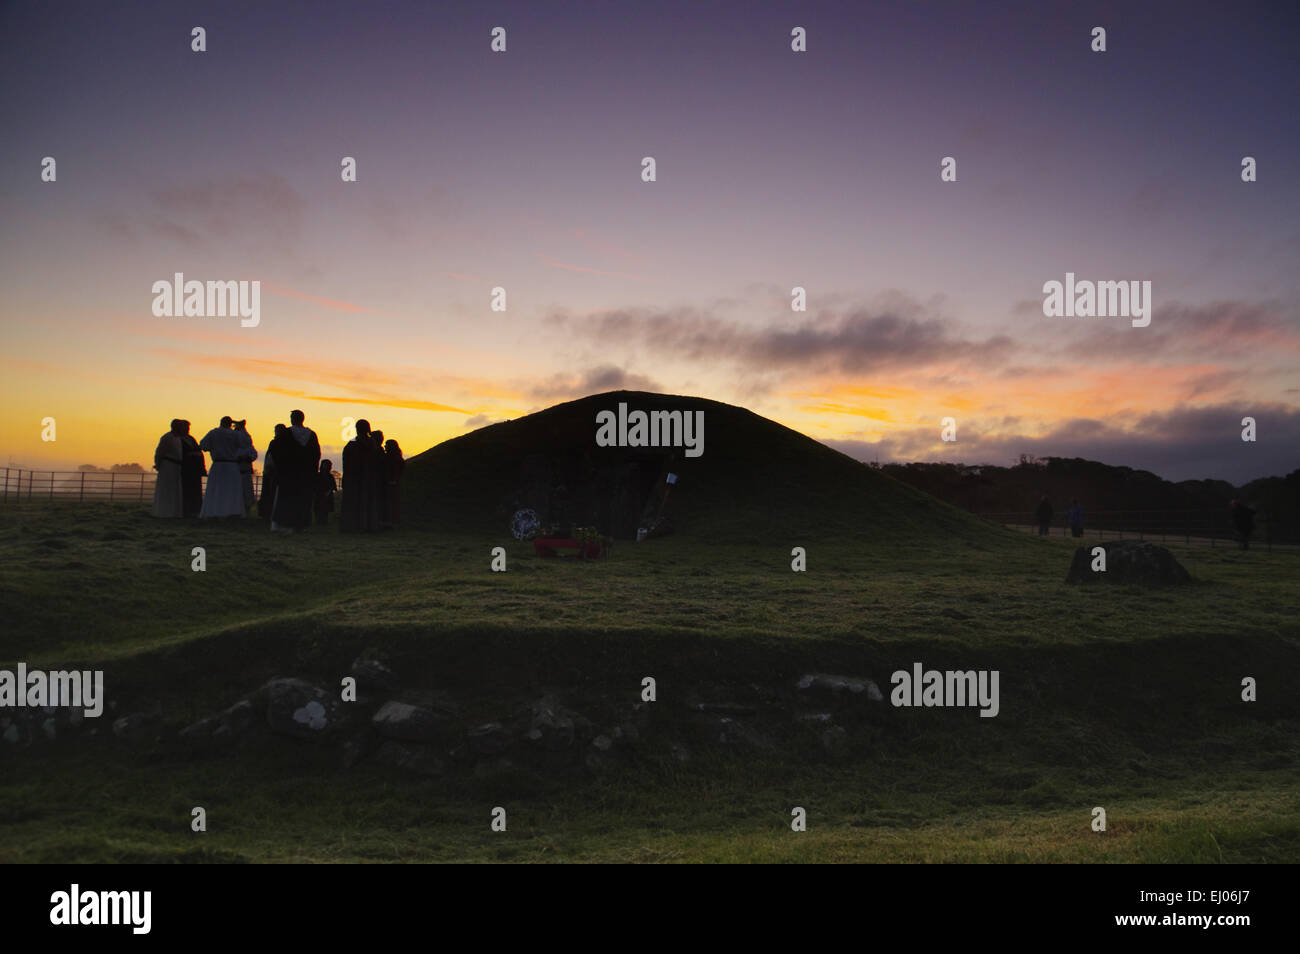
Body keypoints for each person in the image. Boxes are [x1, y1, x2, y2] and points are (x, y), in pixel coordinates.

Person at [198, 416, 246, 517]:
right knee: (231, 490)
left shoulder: (213, 433)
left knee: (216, 489)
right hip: (232, 465)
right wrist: (241, 429)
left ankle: (214, 511)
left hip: (218, 465)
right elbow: (245, 444)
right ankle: (232, 511)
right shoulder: (235, 434)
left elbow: (203, 445)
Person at [269, 424, 313, 532]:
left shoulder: (286, 433)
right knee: (300, 500)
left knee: (285, 499)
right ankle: (300, 524)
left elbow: (276, 450)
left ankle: (283, 524)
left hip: (287, 473)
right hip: (302, 473)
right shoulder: (311, 435)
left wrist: (279, 467)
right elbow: (314, 454)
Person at [341, 419, 383, 532]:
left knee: (355, 502)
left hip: (355, 478)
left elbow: (347, 462)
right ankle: (369, 525)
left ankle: (355, 526)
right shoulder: (374, 445)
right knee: (368, 503)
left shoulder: (352, 444)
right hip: (370, 478)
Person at [150, 420, 185, 518]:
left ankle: (173, 512)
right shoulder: (167, 438)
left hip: (176, 466)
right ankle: (164, 512)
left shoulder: (177, 438)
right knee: (166, 489)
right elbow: (160, 452)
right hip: (168, 466)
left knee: (173, 490)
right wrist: (158, 464)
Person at [258, 424, 288, 520]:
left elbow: (270, 457)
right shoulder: (285, 443)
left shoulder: (275, 443)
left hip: (274, 472)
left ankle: (268, 514)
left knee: (270, 493)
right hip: (277, 472)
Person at [179, 420, 206, 517]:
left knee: (195, 490)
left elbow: (199, 451)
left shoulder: (191, 439)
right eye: (185, 427)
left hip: (195, 469)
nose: (187, 429)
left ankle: (195, 510)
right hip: (186, 468)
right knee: (186, 490)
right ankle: (186, 510)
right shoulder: (178, 439)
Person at [233, 419, 258, 513]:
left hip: (245, 470)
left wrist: (247, 458)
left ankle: (246, 510)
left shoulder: (248, 446)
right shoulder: (232, 445)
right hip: (235, 471)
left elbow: (254, 454)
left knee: (246, 492)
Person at [383, 439, 404, 527]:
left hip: (391, 483)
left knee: (390, 503)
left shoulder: (391, 457)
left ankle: (391, 521)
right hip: (394, 483)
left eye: (386, 445)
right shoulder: (397, 457)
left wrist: (392, 480)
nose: (385, 446)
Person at [315, 460, 337, 526]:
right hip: (319, 494)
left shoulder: (330, 476)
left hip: (327, 495)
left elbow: (333, 486)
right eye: (324, 465)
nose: (325, 467)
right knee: (319, 509)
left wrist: (328, 492)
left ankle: (324, 522)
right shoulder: (318, 475)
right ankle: (318, 521)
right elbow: (315, 485)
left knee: (325, 510)